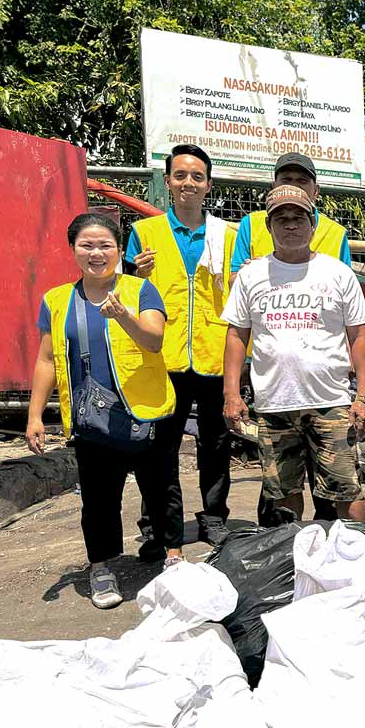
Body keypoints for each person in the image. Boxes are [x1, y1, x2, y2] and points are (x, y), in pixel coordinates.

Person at [26, 214, 178, 609]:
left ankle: (174, 557)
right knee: (98, 500)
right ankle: (101, 566)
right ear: (73, 249)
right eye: (87, 246)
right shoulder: (56, 301)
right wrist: (35, 415)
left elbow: (155, 341)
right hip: (92, 420)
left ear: (118, 249)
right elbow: (46, 360)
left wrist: (122, 315)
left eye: (105, 245)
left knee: (161, 491)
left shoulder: (141, 290)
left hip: (146, 413)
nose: (97, 254)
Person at [223, 186, 365, 521]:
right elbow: (236, 335)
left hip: (331, 402)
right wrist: (231, 394)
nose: (291, 225)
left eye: (298, 218)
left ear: (313, 224)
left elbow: (359, 336)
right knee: (284, 494)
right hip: (274, 404)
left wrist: (364, 396)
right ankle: (293, 561)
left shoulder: (337, 273)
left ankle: (360, 560)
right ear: (269, 227)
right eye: (281, 218)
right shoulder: (251, 276)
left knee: (347, 490)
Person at [125, 143, 237, 553]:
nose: (189, 182)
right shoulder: (144, 233)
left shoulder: (229, 235)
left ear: (209, 184)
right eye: (181, 175)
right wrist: (137, 274)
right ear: (168, 181)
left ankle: (214, 518)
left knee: (217, 441)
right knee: (158, 447)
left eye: (197, 176)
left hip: (214, 351)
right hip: (162, 354)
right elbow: (124, 295)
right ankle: (157, 525)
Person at [229, 152, 352, 277]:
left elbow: (346, 282)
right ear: (274, 186)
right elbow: (234, 281)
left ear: (315, 191)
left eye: (302, 180)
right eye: (286, 180)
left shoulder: (337, 234)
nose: (293, 186)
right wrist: (247, 275)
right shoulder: (251, 224)